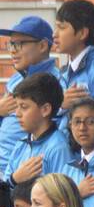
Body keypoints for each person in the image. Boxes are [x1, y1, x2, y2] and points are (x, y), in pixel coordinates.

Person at [0, 16, 58, 176]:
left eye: (20, 44)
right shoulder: (15, 79)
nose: (12, 50)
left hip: (23, 175)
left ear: (42, 45)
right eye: (11, 44)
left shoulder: (55, 82)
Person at [53, 0, 94, 118]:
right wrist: (61, 106)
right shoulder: (64, 70)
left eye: (62, 28)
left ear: (82, 33)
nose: (55, 34)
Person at [5, 73, 70, 190]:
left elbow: (61, 196)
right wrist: (14, 179)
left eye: (24, 107)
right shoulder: (21, 144)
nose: (17, 114)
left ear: (45, 109)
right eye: (17, 106)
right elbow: (4, 191)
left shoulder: (59, 148)